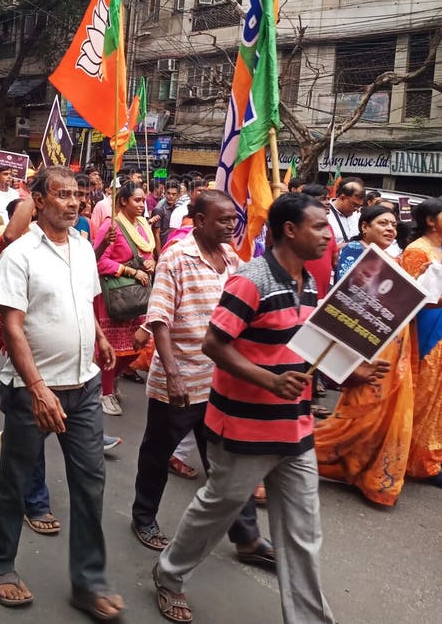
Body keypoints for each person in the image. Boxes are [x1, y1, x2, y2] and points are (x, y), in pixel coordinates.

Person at [152, 192, 334, 624]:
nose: (328, 235)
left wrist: (354, 371)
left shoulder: (309, 283)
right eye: (319, 226)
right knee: (217, 509)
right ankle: (169, 575)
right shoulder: (251, 280)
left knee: (304, 534)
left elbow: (304, 350)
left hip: (295, 429)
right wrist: (270, 381)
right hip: (243, 429)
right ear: (290, 230)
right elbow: (214, 344)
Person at [0, 166, 123, 619]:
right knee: (15, 483)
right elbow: (13, 326)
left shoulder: (81, 247)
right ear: (38, 202)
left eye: (77, 194)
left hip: (84, 387)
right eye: (62, 195)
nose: (74, 202)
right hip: (33, 393)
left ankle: (89, 582)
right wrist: (39, 389)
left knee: (90, 485)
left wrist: (99, 336)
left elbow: (83, 302)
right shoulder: (19, 254)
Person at [131, 190, 272, 568]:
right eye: (223, 219)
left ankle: (247, 537)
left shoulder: (232, 258)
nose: (231, 225)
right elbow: (160, 319)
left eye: (234, 219)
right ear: (200, 220)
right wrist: (173, 375)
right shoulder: (176, 257)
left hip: (220, 382)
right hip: (180, 382)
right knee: (157, 454)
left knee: (227, 463)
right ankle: (143, 517)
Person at [314, 205, 408, 507]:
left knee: (380, 416)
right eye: (383, 223)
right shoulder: (355, 254)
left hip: (391, 347)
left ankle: (362, 469)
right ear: (364, 226)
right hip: (363, 343)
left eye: (393, 224)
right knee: (359, 414)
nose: (390, 229)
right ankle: (296, 453)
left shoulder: (393, 259)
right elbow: (348, 301)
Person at [95, 182, 155, 416]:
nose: (142, 205)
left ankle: (111, 379)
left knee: (136, 347)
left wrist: (151, 263)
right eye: (137, 200)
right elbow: (99, 262)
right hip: (116, 296)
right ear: (122, 201)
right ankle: (105, 392)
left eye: (143, 201)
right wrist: (131, 271)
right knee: (112, 349)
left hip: (138, 296)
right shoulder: (111, 227)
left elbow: (147, 254)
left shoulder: (143, 227)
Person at [401, 198, 442, 487]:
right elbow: (407, 300)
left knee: (436, 399)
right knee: (423, 396)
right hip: (424, 334)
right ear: (431, 220)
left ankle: (430, 456)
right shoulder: (418, 250)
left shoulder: (437, 250)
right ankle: (416, 461)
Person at [327, 180, 365, 249]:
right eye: (354, 205)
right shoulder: (325, 213)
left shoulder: (358, 215)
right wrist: (344, 246)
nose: (356, 209)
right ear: (342, 198)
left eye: (359, 206)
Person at [151, 179, 180, 253]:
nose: (171, 196)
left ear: (178, 195)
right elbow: (156, 234)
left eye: (174, 194)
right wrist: (159, 254)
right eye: (168, 193)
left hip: (171, 247)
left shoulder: (176, 208)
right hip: (162, 249)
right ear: (164, 193)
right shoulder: (159, 209)